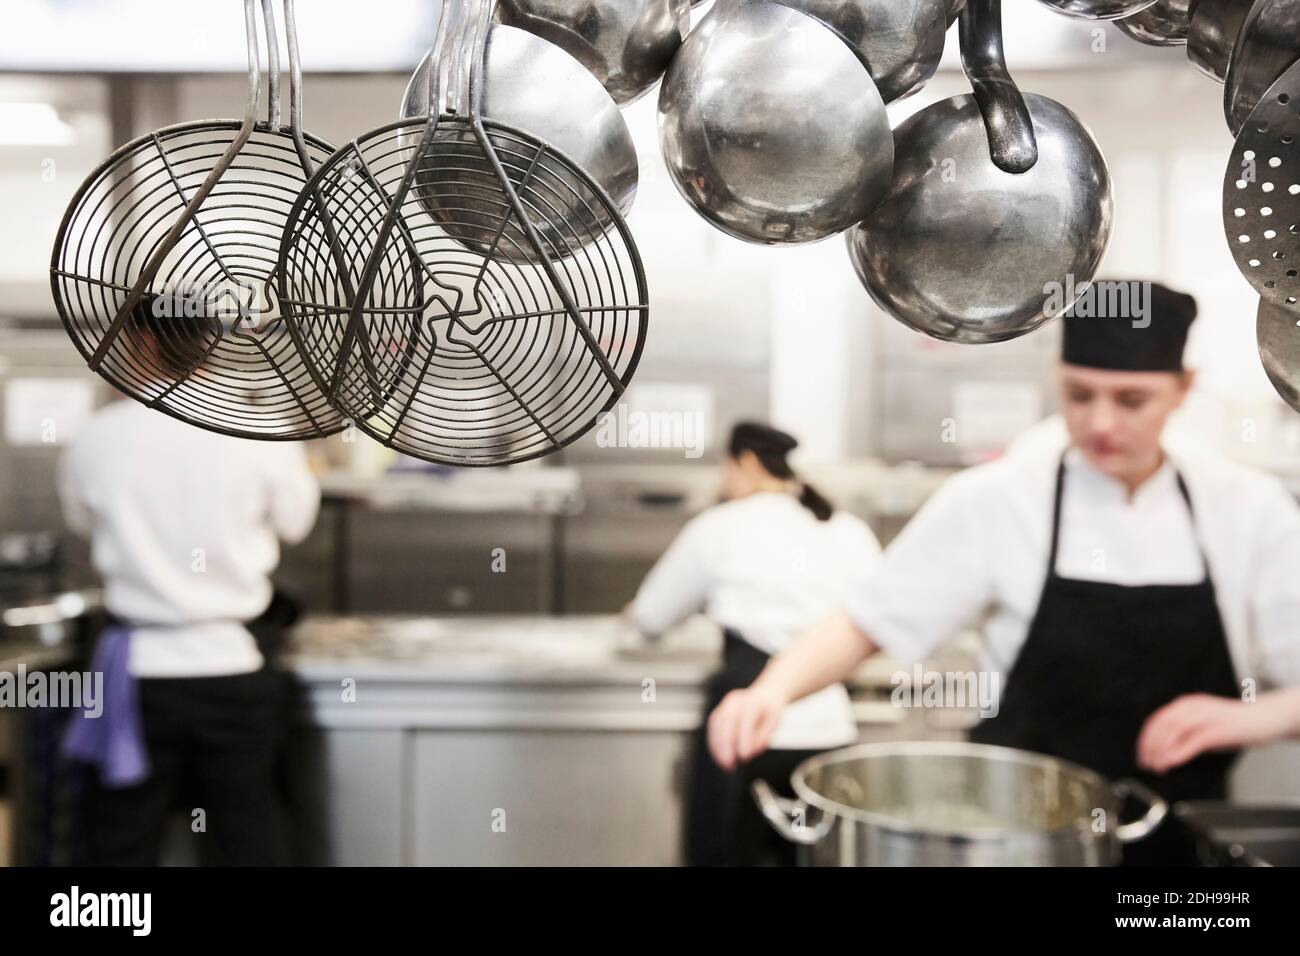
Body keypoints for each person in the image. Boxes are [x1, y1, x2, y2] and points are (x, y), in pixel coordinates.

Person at [707, 281, 1300, 866]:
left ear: (1182, 389)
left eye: (1130, 401)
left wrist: (1243, 717)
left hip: (1178, 843)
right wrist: (771, 690)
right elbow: (869, 620)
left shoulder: (1247, 509)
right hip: (1014, 839)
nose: (1099, 423)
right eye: (1078, 394)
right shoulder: (1003, 496)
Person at [58, 294, 321, 866]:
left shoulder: (97, 436)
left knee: (119, 843)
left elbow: (82, 523)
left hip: (138, 677)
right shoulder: (257, 426)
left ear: (143, 342)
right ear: (208, 340)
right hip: (232, 668)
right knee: (247, 835)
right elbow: (297, 522)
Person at [630, 421, 882, 866]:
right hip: (829, 733)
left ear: (745, 463)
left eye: (725, 468)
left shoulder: (719, 527)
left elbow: (651, 617)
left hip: (745, 731)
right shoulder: (848, 530)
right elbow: (880, 617)